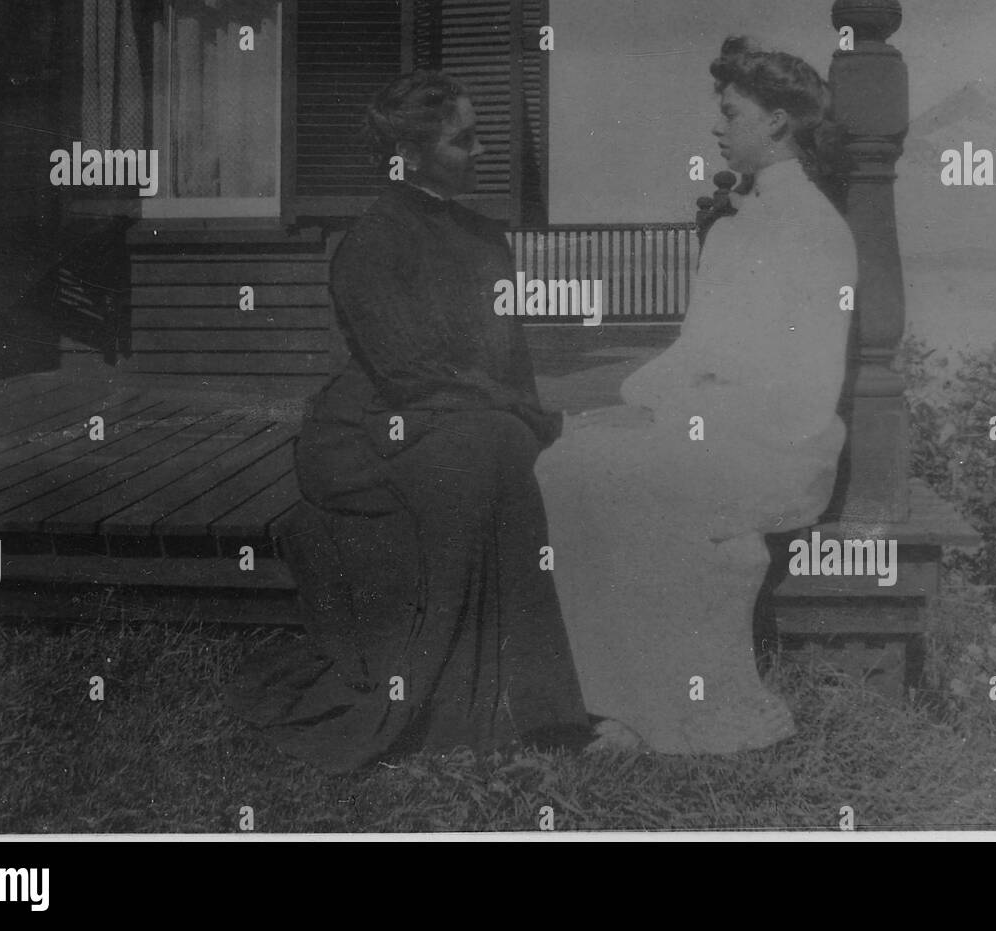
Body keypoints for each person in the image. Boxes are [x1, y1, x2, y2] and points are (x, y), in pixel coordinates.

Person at [227, 70, 589, 773]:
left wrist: (531, 415)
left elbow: (509, 357)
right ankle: (464, 704)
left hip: (467, 415)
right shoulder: (371, 242)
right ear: (411, 157)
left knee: (516, 449)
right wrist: (515, 413)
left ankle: (543, 703)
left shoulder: (487, 238)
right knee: (491, 451)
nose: (483, 150)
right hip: (373, 428)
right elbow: (405, 368)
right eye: (465, 139)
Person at [534, 38, 858, 755]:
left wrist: (677, 412)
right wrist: (649, 400)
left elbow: (797, 383)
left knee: (619, 473)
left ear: (777, 123)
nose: (717, 127)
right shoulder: (746, 222)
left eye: (731, 113)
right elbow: (701, 350)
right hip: (722, 423)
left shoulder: (811, 229)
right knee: (567, 461)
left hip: (780, 442)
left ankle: (684, 709)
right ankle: (613, 698)